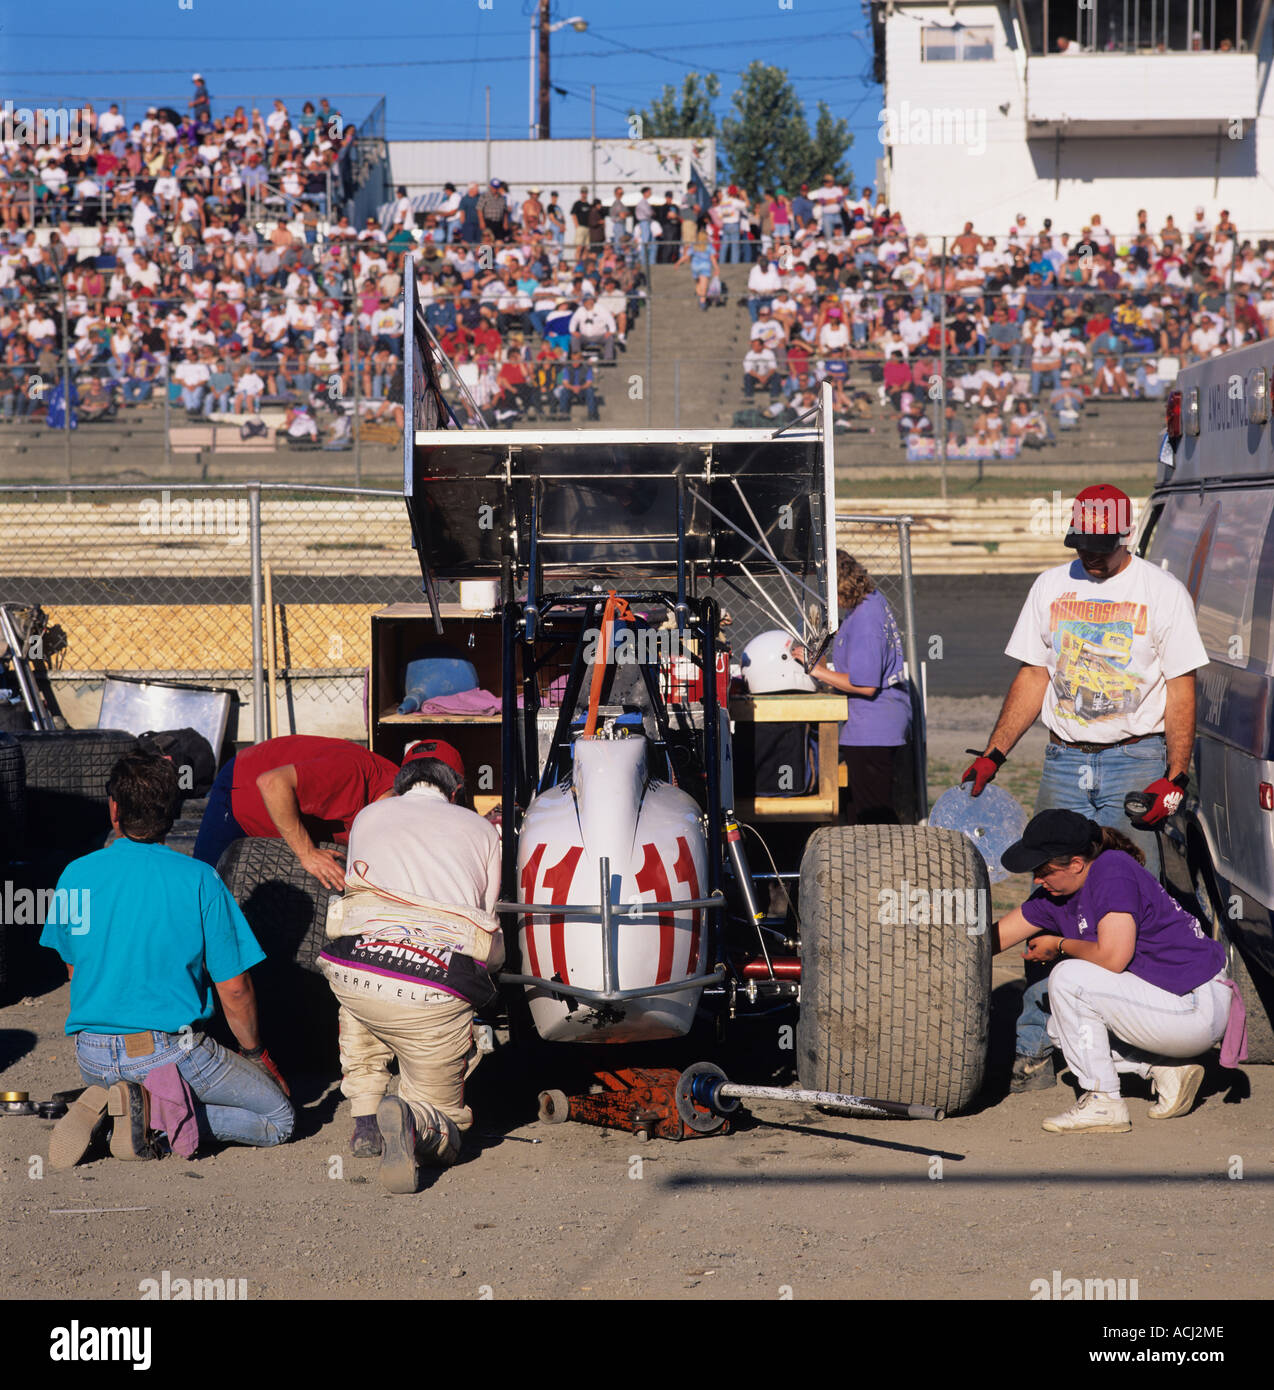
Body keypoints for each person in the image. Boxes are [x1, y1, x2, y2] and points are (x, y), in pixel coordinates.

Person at [963, 483, 1208, 1091]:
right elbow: (1033, 674)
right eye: (1083, 544)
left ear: (1123, 536)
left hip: (1135, 756)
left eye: (1102, 546)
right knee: (1055, 890)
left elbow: (1181, 687)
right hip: (1065, 758)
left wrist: (1173, 776)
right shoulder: (1052, 587)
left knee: (1127, 899)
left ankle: (1139, 1047)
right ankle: (1035, 1048)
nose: (1092, 556)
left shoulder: (1161, 592)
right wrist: (995, 752)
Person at [41, 754, 294, 1168]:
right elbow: (234, 988)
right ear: (173, 813)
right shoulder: (199, 879)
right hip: (166, 1052)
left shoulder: (75, 874)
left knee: (129, 1071)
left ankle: (118, 1110)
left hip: (92, 1055)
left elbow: (76, 970)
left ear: (115, 809)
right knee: (278, 1118)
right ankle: (153, 1120)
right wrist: (254, 1054)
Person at [319, 740, 501, 1193]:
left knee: (364, 970)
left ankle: (364, 1116)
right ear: (456, 788)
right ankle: (414, 1121)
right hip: (433, 993)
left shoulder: (367, 816)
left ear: (401, 781)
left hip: (351, 972)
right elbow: (486, 920)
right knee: (450, 1125)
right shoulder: (482, 831)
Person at [991, 810, 1241, 1133]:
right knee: (1060, 1029)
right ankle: (1163, 1070)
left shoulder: (1111, 870)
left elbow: (1113, 957)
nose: (1037, 879)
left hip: (1198, 1005)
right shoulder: (1054, 896)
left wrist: (1059, 945)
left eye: (1043, 869)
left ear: (1077, 864)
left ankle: (1103, 1101)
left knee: (1067, 979)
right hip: (1171, 1007)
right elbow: (994, 938)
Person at [192, 734, 400, 888]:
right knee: (203, 889)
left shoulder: (400, 800)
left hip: (297, 807)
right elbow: (272, 784)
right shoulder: (351, 774)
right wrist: (307, 853)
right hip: (243, 785)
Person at [794, 552, 911, 823]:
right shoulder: (869, 602)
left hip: (873, 729)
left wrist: (818, 671)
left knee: (875, 815)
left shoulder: (866, 619)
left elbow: (867, 685)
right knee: (856, 809)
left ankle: (887, 863)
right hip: (874, 726)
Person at [676, 229, 717, 311]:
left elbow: (686, 256)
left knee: (698, 283)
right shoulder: (708, 246)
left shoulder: (694, 246)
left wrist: (678, 262)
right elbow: (712, 258)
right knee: (704, 286)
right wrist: (716, 267)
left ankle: (700, 297)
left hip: (695, 267)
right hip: (705, 267)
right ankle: (702, 302)